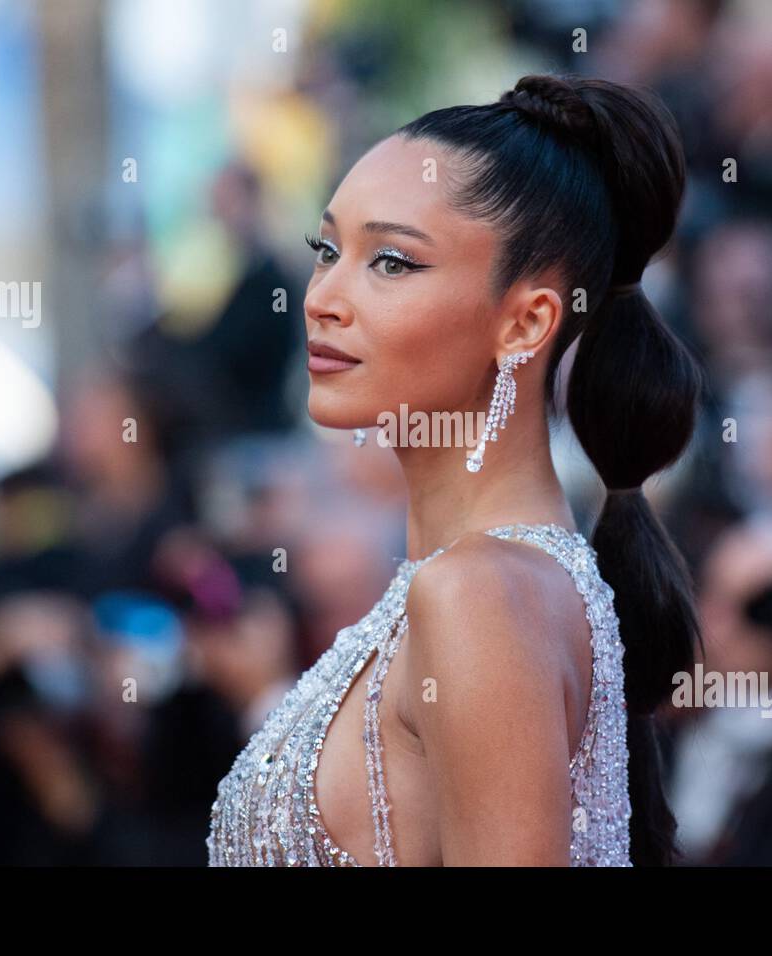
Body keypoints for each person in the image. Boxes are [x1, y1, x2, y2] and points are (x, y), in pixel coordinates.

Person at [207, 73, 702, 866]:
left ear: (526, 321)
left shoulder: (478, 596)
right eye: (326, 250)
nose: (324, 297)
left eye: (394, 262)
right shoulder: (476, 584)